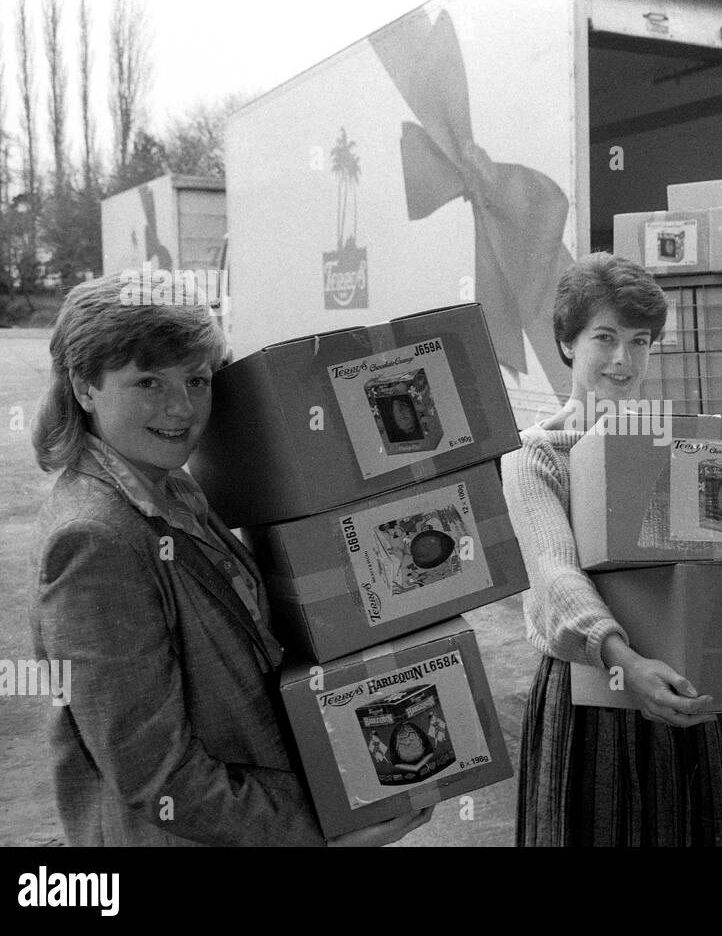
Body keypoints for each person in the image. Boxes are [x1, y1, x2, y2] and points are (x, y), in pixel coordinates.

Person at [29, 274, 430, 846]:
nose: (182, 408)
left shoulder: (175, 488)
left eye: (197, 379)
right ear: (84, 386)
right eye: (148, 381)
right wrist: (321, 831)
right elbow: (156, 776)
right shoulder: (95, 541)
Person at [502, 252, 722, 846]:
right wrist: (624, 663)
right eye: (604, 337)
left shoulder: (675, 445)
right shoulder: (535, 457)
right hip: (591, 694)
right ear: (566, 343)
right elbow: (555, 575)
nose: (623, 359)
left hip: (679, 688)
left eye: (640, 341)